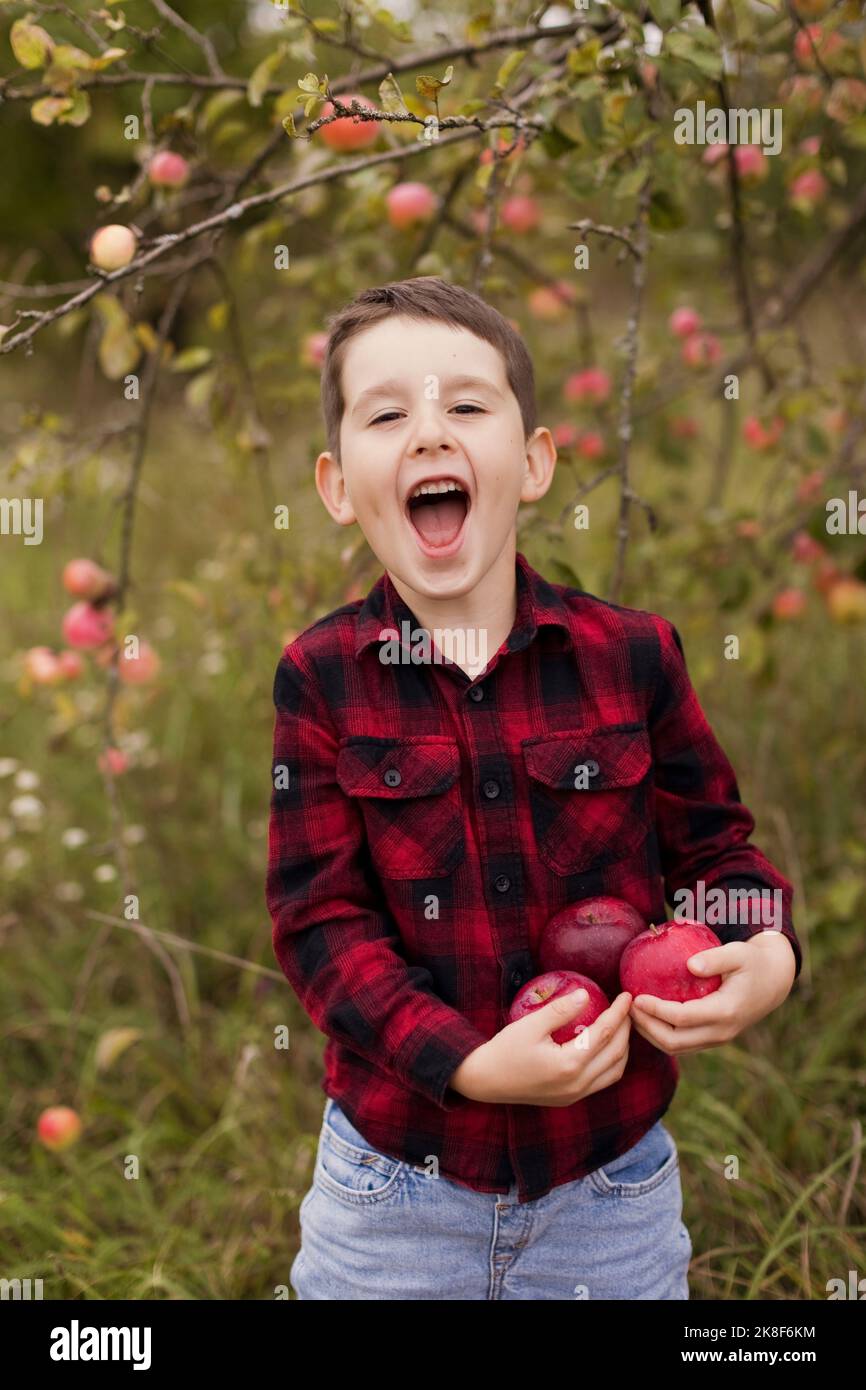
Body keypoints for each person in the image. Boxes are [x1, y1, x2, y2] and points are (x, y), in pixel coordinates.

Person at [264, 276, 801, 1300]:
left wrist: (765, 945)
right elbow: (318, 918)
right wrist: (465, 1063)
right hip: (393, 1190)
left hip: (605, 1193)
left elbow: (715, 852)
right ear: (337, 485)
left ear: (535, 461)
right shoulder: (320, 675)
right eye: (387, 414)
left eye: (466, 405)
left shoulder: (630, 655)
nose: (429, 434)